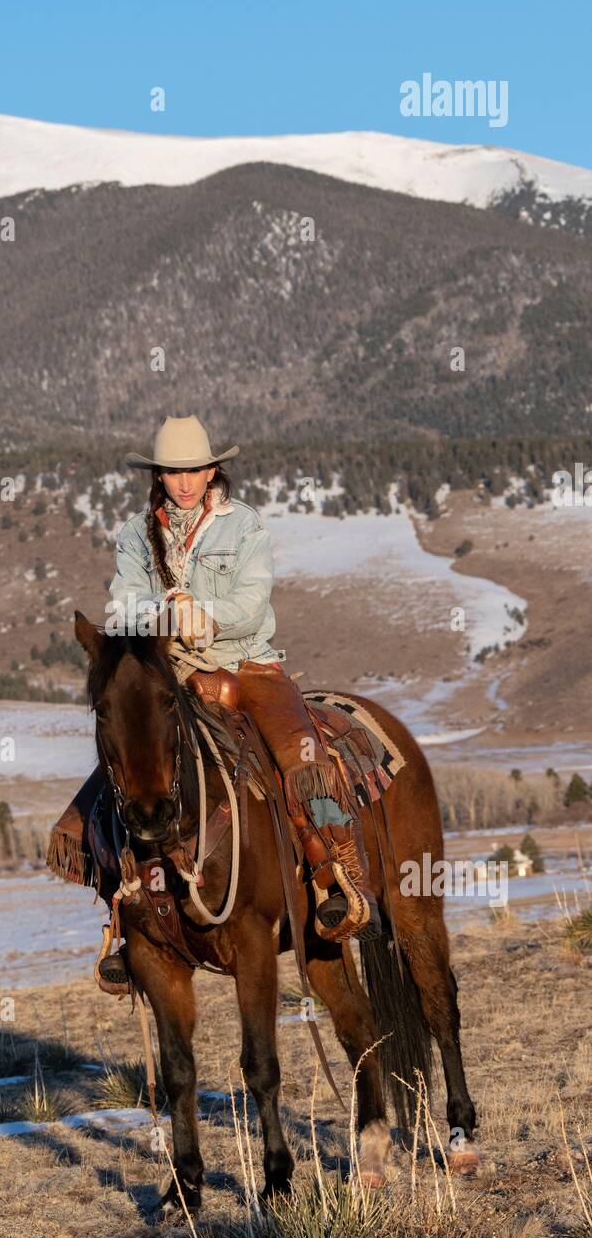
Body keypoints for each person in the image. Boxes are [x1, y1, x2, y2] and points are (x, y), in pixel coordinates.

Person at [94, 415, 380, 988]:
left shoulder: (242, 525)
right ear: (159, 475)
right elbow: (119, 608)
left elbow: (253, 601)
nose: (184, 481)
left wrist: (209, 616)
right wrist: (162, 614)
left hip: (246, 663)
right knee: (122, 769)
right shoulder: (133, 535)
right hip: (170, 673)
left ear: (212, 469)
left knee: (302, 754)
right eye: (173, 472)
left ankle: (335, 878)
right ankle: (125, 911)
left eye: (193, 469)